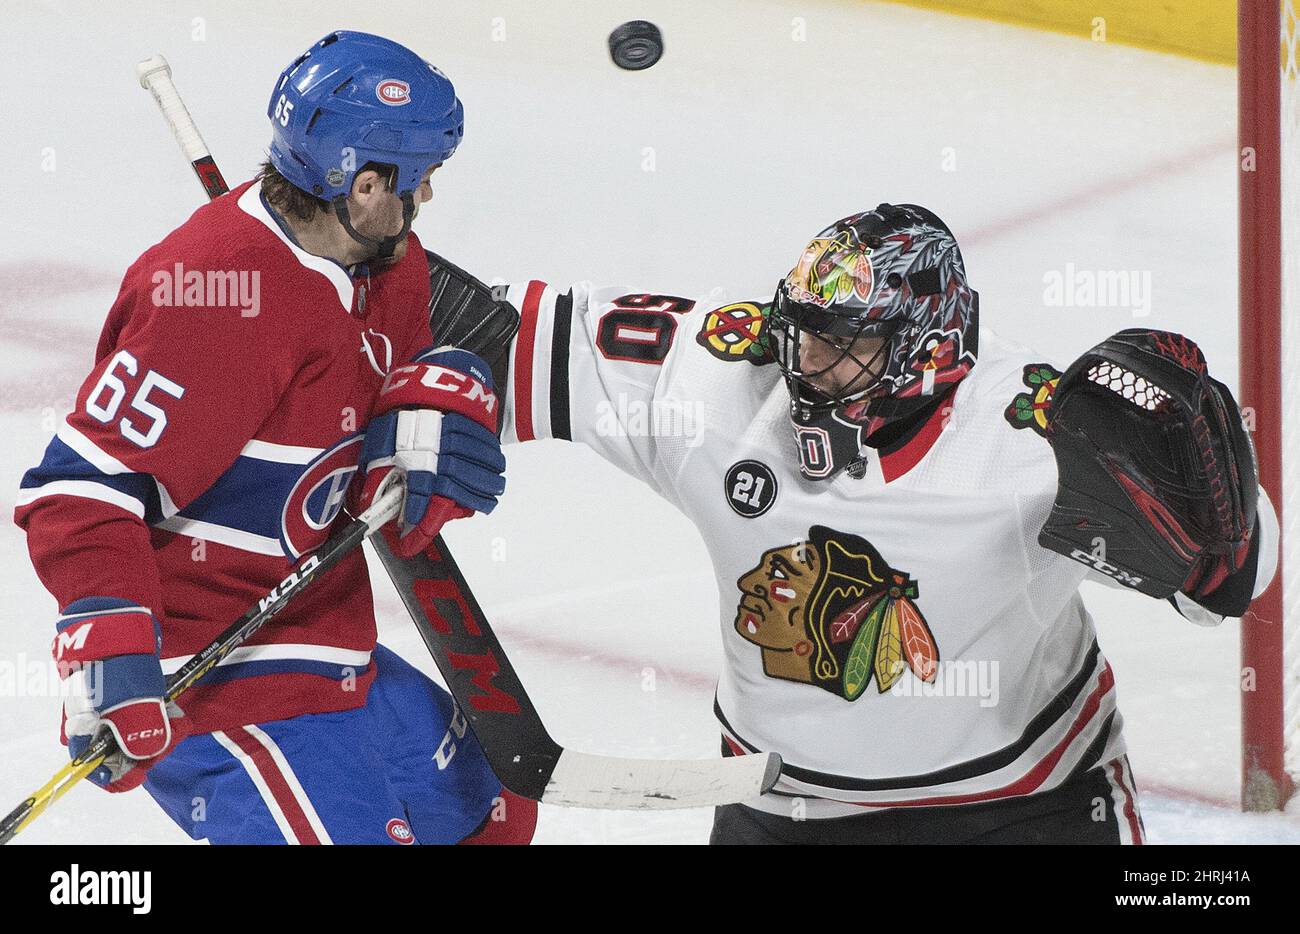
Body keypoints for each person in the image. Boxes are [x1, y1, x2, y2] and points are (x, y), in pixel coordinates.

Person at [469, 203, 1276, 843]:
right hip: (783, 814)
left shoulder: (1034, 443)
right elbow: (480, 333)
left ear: (925, 349)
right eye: (801, 331)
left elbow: (1227, 585)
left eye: (842, 344)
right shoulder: (714, 382)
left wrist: (1221, 522)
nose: (805, 364)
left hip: (1028, 810)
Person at [14, 31, 531, 845]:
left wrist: (421, 412)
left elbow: (372, 391)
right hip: (215, 675)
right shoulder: (215, 300)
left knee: (489, 808)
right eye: (421, 178)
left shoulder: (386, 260)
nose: (427, 196)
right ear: (364, 184)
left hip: (324, 638)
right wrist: (111, 655)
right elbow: (79, 496)